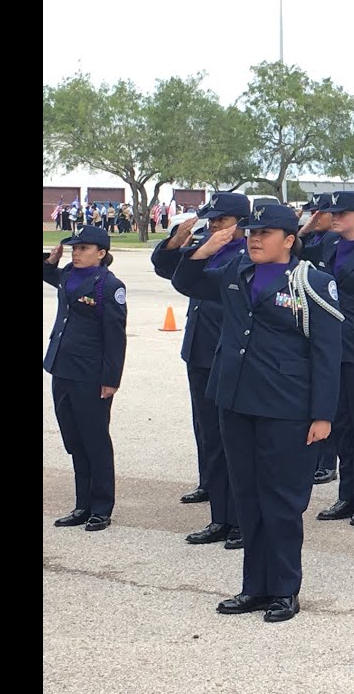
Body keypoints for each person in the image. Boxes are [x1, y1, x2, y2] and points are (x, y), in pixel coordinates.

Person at [172, 204, 343, 623]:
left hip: (286, 406)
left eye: (265, 232)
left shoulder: (311, 282)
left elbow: (327, 353)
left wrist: (322, 415)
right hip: (235, 400)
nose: (254, 238)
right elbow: (185, 281)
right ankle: (254, 587)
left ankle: (284, 590)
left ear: (289, 239)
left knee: (281, 502)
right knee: (247, 497)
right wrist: (209, 245)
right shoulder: (236, 272)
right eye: (251, 231)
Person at [154, 192, 249, 549]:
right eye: (211, 222)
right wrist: (176, 242)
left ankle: (240, 519)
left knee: (234, 442)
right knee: (209, 433)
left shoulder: (244, 255)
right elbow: (170, 270)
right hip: (200, 350)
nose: (214, 228)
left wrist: (205, 250)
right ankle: (220, 514)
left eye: (221, 222)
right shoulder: (204, 247)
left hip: (228, 354)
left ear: (240, 223)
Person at [303, 191, 354, 528]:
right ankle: (346, 495)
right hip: (330, 350)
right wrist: (310, 225)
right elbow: (295, 247)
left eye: (341, 213)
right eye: (331, 212)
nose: (333, 217)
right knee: (341, 427)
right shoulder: (327, 245)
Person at [43, 225, 128, 533]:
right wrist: (51, 260)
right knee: (75, 440)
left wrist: (111, 379)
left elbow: (115, 337)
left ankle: (102, 507)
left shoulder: (109, 285)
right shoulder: (66, 275)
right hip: (62, 368)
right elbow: (46, 272)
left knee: (95, 441)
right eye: (74, 248)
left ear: (101, 253)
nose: (76, 253)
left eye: (83, 248)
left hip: (90, 375)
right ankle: (82, 504)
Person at [296, 193, 343, 486]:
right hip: (317, 330)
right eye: (312, 211)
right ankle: (320, 460)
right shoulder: (316, 241)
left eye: (321, 212)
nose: (317, 216)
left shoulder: (334, 243)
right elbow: (295, 253)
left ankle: (329, 462)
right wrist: (305, 229)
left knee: (334, 405)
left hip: (341, 334)